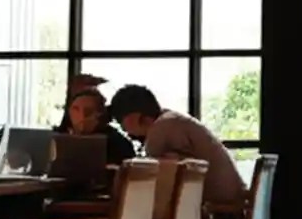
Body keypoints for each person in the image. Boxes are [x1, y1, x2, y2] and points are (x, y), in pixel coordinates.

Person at [108, 85, 247, 204]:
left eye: (121, 120)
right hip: (229, 201)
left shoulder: (162, 128)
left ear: (134, 116)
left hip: (217, 206)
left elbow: (149, 175)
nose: (123, 128)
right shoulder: (171, 119)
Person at [56, 88, 136, 165]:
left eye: (89, 111)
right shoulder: (57, 138)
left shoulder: (119, 144)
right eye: (76, 109)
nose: (82, 115)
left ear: (101, 114)